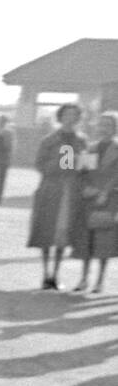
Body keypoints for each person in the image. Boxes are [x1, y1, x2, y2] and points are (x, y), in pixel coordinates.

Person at [27, 103, 87, 290]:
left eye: (74, 115)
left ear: (78, 118)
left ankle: (56, 273)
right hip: (51, 189)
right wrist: (57, 165)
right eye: (67, 114)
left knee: (64, 232)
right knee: (47, 230)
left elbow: (86, 167)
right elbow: (39, 164)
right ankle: (46, 274)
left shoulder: (82, 140)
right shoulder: (50, 140)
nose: (70, 118)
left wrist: (81, 166)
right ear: (60, 117)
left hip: (71, 190)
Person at [72, 112, 118, 293]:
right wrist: (86, 189)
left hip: (109, 200)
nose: (103, 128)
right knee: (86, 241)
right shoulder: (90, 148)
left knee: (104, 241)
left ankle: (99, 281)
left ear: (114, 128)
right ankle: (83, 279)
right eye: (101, 125)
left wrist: (105, 193)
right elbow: (81, 173)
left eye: (108, 125)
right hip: (89, 199)